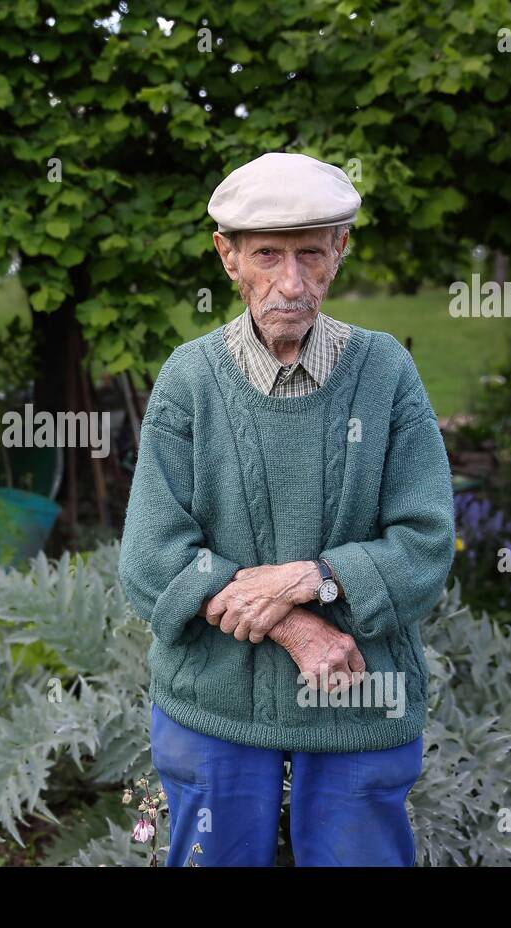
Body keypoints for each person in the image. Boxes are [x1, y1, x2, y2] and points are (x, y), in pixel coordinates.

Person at [118, 152, 455, 867]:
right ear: (227, 257)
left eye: (311, 253)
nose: (291, 283)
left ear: (342, 249)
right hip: (214, 698)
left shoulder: (386, 373)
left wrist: (311, 578)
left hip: (360, 690)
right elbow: (151, 561)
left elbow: (425, 547)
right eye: (267, 255)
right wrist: (298, 627)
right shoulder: (188, 381)